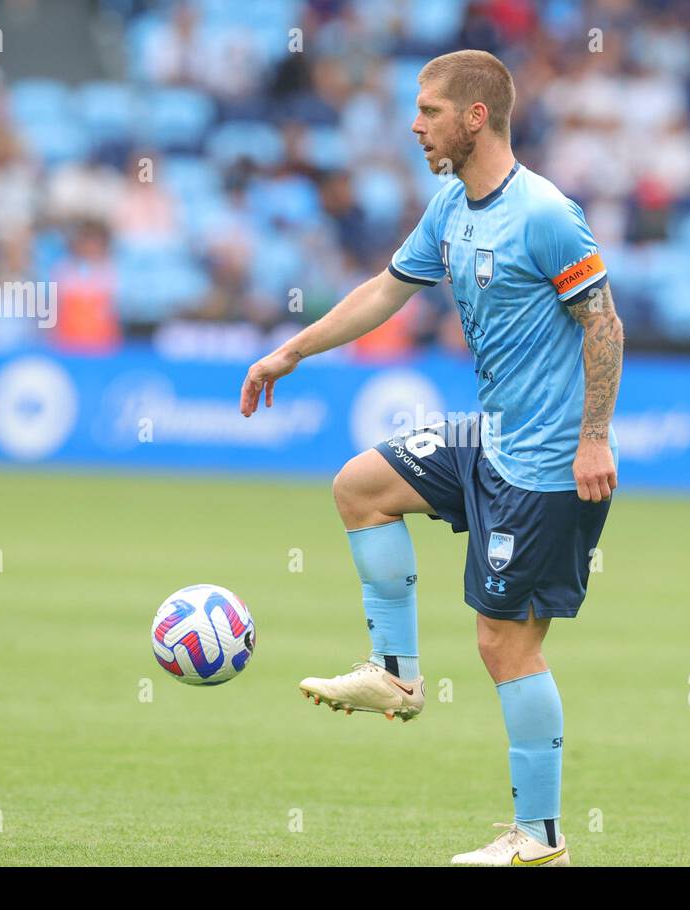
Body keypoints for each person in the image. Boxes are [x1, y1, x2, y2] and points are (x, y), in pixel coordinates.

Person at [240, 50, 623, 866]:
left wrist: (594, 438)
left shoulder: (546, 213)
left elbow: (604, 324)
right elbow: (384, 289)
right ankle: (396, 672)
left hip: (547, 465)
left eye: (429, 110)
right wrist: (292, 352)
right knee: (360, 487)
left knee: (504, 646)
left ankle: (539, 839)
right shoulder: (450, 204)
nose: (415, 125)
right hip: (490, 436)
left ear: (475, 117)